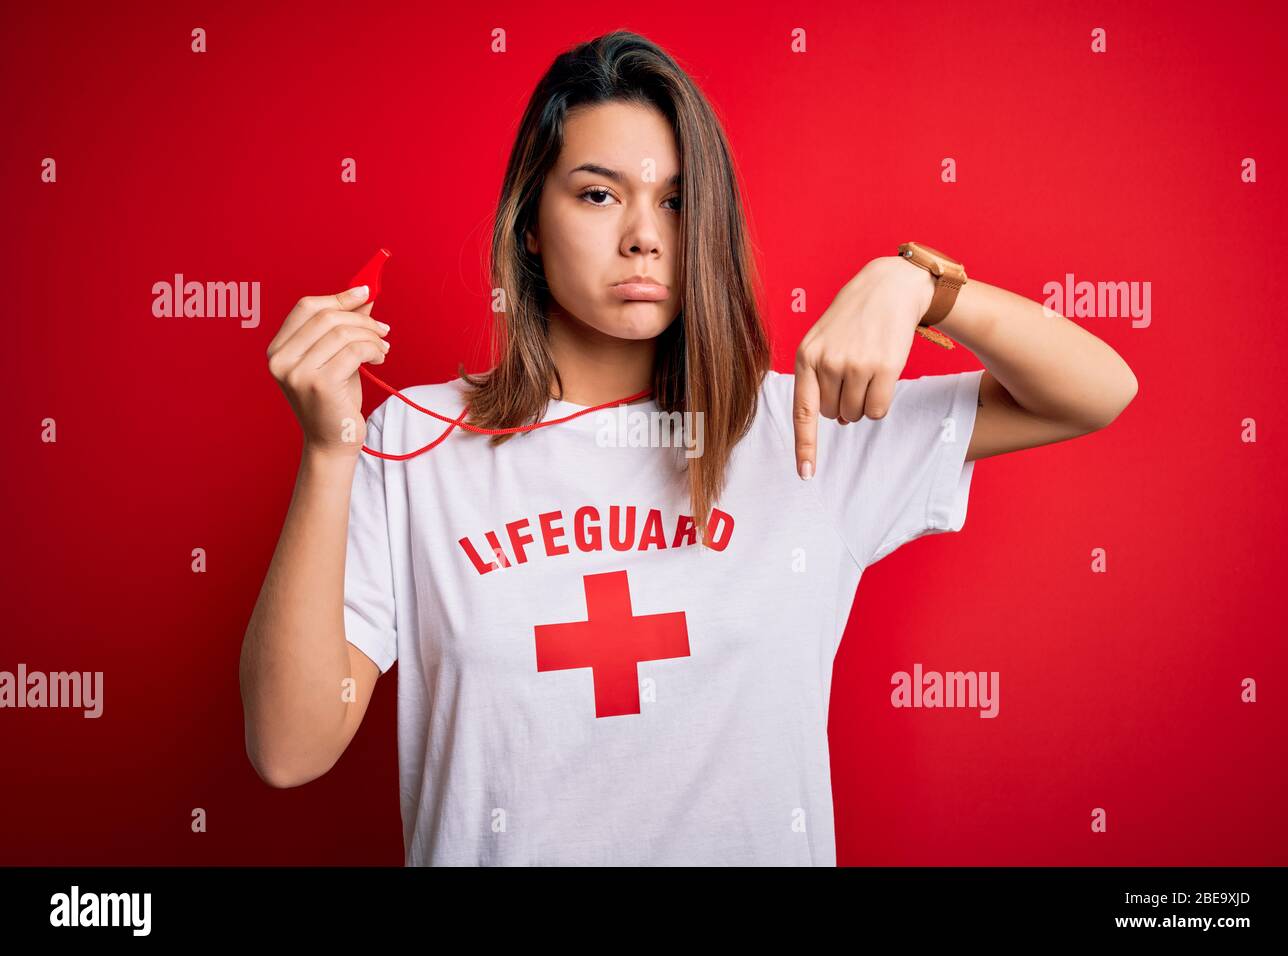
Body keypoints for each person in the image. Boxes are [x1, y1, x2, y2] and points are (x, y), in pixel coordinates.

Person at [239, 30, 1138, 866]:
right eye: (598, 194)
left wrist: (921, 288)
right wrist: (328, 451)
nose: (643, 234)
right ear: (529, 224)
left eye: (676, 200)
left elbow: (1096, 392)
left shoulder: (805, 427)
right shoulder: (416, 439)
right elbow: (288, 748)